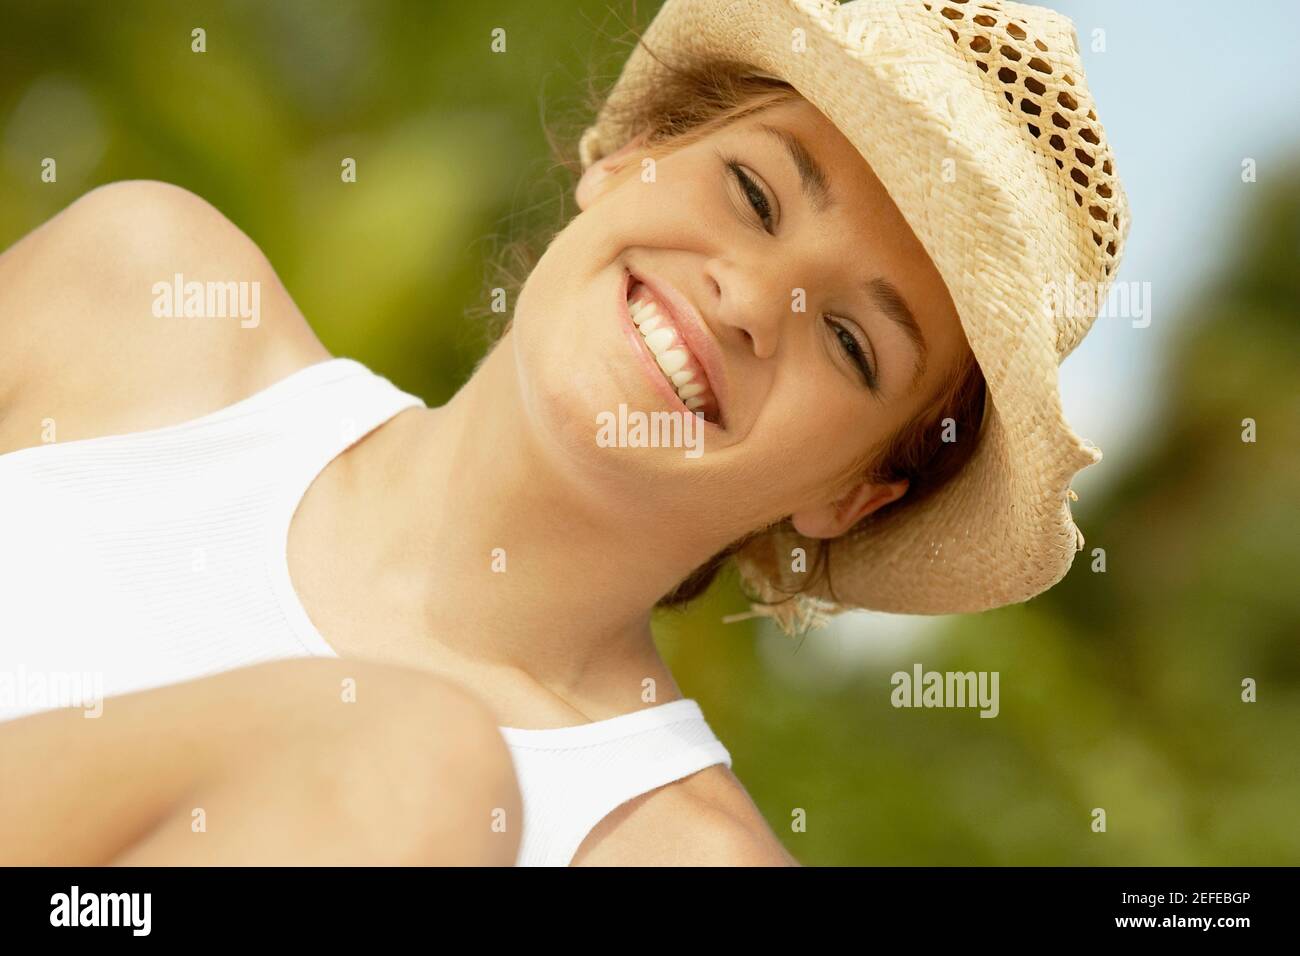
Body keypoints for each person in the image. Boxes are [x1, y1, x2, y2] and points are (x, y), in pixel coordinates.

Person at [0, 0, 1127, 866]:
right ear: (623, 151)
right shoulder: (139, 296)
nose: (748, 300)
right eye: (754, 193)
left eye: (847, 340)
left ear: (855, 492)